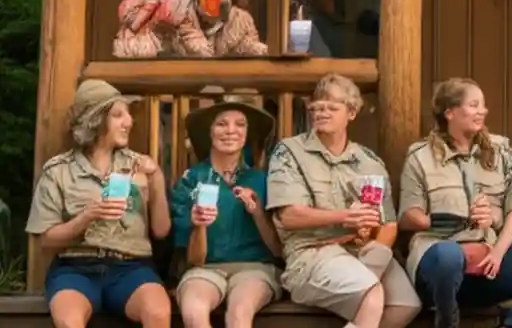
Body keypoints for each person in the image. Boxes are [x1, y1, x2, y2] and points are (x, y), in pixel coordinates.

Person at [401, 77, 512, 328]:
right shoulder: (420, 156)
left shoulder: (501, 151)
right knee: (448, 256)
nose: (482, 111)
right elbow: (408, 215)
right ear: (450, 112)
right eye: (474, 105)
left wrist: (497, 251)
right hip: (439, 266)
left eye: (483, 105)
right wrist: (448, 225)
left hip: (487, 259)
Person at [266, 73, 421, 328]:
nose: (321, 112)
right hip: (311, 254)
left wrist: (375, 251)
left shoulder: (369, 161)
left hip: (361, 251)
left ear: (351, 112)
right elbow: (289, 216)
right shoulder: (290, 151)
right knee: (371, 295)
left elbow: (389, 222)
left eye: (331, 107)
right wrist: (345, 217)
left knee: (406, 304)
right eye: (316, 107)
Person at [25, 79, 172, 328]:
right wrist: (86, 217)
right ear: (95, 119)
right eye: (118, 115)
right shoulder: (59, 171)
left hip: (131, 267)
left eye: (127, 114)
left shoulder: (140, 165)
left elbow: (161, 230)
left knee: (158, 313)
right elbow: (47, 240)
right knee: (69, 321)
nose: (128, 121)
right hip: (75, 268)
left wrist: (156, 177)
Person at [171, 94, 282, 328]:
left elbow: (278, 250)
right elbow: (194, 260)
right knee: (193, 312)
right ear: (209, 133)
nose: (231, 130)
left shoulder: (263, 180)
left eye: (240, 124)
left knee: (239, 315)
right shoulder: (191, 180)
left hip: (255, 268)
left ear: (247, 134)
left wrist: (258, 213)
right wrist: (199, 225)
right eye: (222, 123)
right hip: (205, 269)